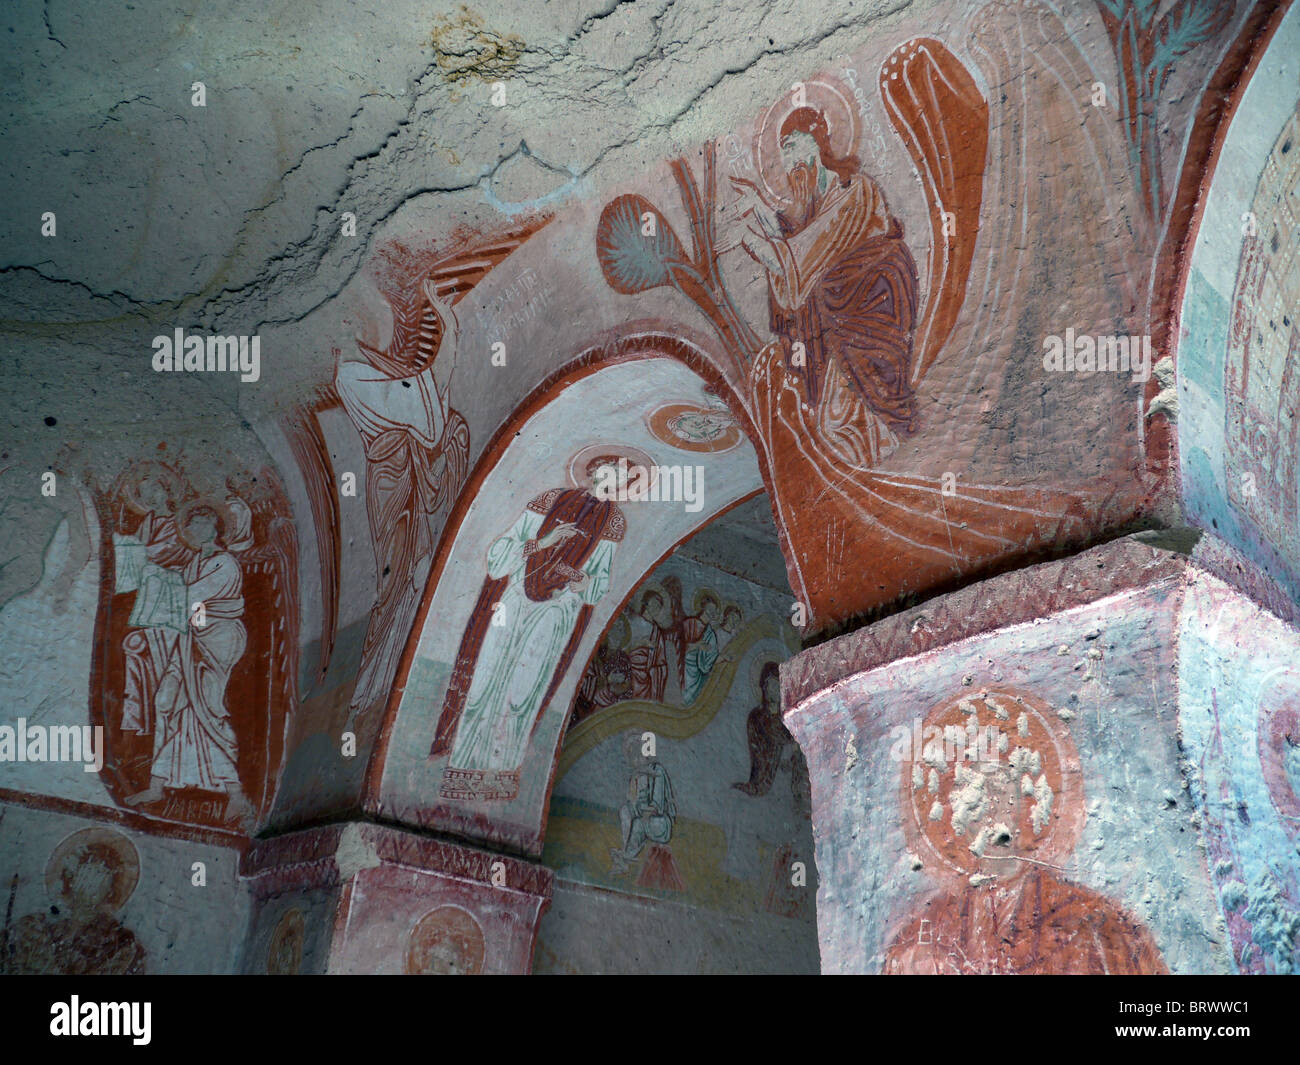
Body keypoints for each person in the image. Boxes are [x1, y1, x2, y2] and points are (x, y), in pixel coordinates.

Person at [731, 105, 920, 468]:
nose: (789, 162)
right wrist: (763, 214)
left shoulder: (855, 192)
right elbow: (799, 256)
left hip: (872, 308)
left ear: (819, 144)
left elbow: (806, 258)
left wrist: (758, 240)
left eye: (793, 147)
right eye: (783, 153)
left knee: (855, 415)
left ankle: (885, 450)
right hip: (841, 321)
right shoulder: (813, 211)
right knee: (836, 420)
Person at [433, 456, 626, 800]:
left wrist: (578, 579)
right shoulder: (550, 500)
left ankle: (501, 775)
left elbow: (599, 584)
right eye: (608, 475)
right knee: (487, 677)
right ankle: (463, 765)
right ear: (593, 473)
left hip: (558, 611)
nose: (611, 484)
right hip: (516, 596)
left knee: (524, 690)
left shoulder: (612, 523)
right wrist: (544, 543)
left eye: (620, 480)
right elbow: (498, 557)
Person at [123, 504, 253, 825]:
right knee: (167, 701)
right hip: (192, 637)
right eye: (191, 522)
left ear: (216, 527)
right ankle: (158, 785)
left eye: (201, 522)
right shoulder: (195, 561)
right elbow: (178, 593)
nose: (194, 527)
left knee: (208, 707)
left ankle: (235, 795)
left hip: (220, 638)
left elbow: (191, 595)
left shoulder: (226, 563)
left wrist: (156, 582)